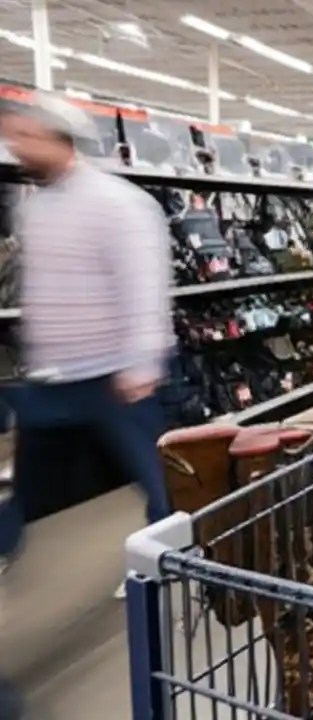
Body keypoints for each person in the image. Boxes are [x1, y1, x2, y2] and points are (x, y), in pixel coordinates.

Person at [0, 94, 172, 602]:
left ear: (58, 138)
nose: (16, 148)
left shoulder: (117, 202)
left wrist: (142, 361)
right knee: (28, 483)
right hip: (55, 375)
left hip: (114, 375)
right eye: (12, 138)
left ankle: (161, 562)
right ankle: (6, 542)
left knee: (156, 478)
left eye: (26, 136)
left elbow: (143, 283)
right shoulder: (33, 206)